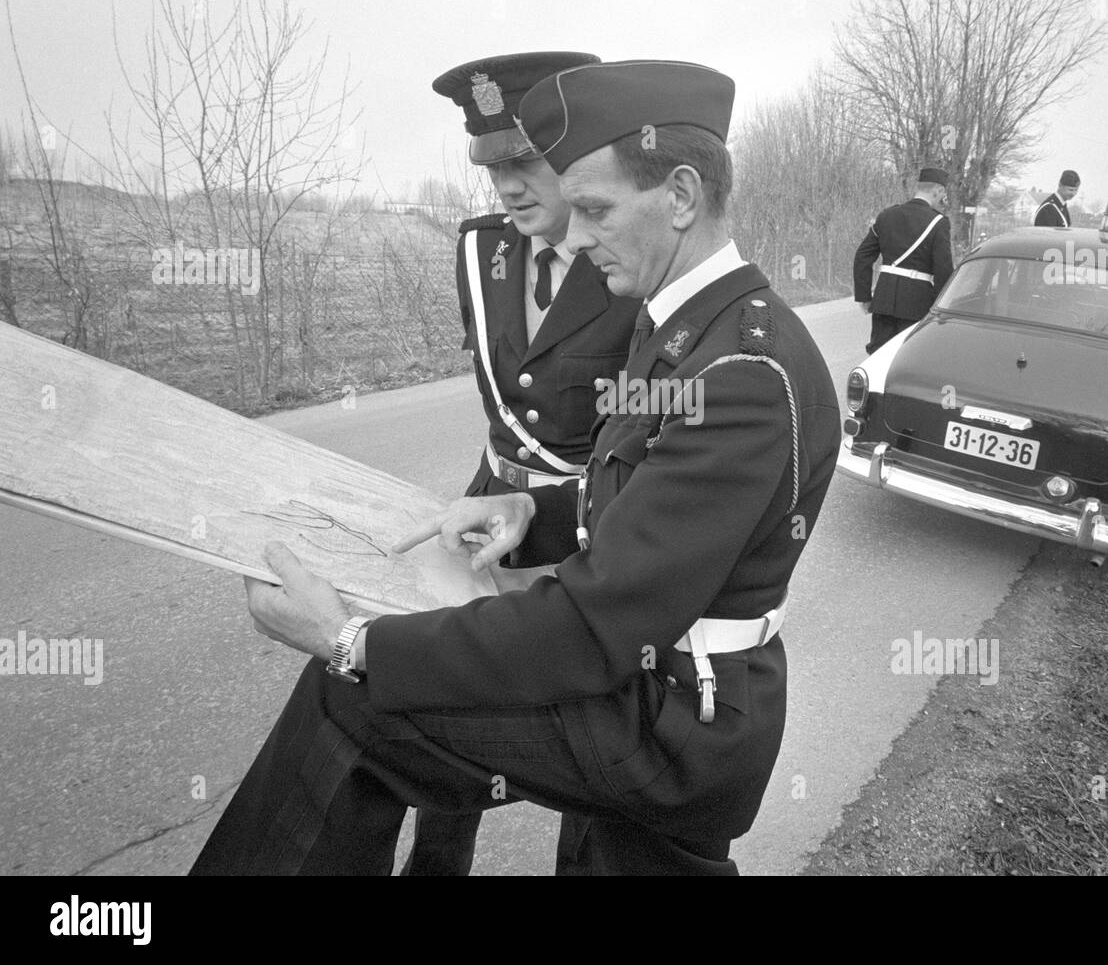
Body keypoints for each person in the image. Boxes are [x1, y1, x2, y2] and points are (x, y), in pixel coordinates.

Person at [188, 59, 841, 877]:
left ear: (680, 196)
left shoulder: (739, 375)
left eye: (596, 209)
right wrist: (538, 516)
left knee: (352, 696)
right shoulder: (690, 323)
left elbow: (589, 625)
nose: (573, 233)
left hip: (673, 727)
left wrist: (351, 640)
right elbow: (648, 502)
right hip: (664, 688)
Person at [399, 52, 640, 876]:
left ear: (574, 155)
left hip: (585, 526)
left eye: (526, 159)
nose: (506, 183)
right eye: (491, 163)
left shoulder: (632, 266)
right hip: (490, 501)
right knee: (446, 698)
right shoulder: (478, 251)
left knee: (588, 726)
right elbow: (512, 383)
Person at [852, 167, 955, 353]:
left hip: (884, 299)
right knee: (908, 356)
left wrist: (864, 297)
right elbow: (944, 270)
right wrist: (938, 306)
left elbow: (863, 256)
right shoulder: (939, 223)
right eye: (943, 193)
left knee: (878, 355)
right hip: (917, 303)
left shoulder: (886, 216)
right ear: (937, 191)